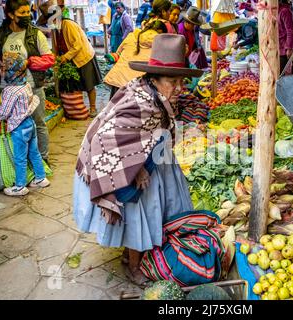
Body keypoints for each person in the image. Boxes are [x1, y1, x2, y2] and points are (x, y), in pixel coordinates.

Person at [72, 34, 203, 287]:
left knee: (155, 202)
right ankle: (134, 266)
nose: (178, 88)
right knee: (139, 206)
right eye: (172, 82)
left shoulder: (156, 94)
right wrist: (137, 167)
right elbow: (105, 139)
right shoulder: (138, 100)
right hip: (120, 161)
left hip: (150, 153)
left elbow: (153, 130)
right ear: (153, 79)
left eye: (181, 82)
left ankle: (132, 251)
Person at [0, 0, 54, 163]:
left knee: (38, 124)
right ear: (11, 15)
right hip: (9, 91)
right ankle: (19, 162)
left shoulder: (35, 34)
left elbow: (49, 59)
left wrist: (29, 62)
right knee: (14, 127)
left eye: (28, 12)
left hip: (33, 88)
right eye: (22, 13)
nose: (27, 16)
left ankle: (42, 160)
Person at [37, 0, 103, 118]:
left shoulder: (68, 25)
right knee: (77, 84)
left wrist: (65, 57)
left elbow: (77, 45)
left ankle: (93, 108)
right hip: (71, 58)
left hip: (84, 56)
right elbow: (57, 46)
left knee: (89, 84)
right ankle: (78, 108)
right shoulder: (56, 28)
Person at [0, 52, 50, 196]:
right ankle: (41, 178)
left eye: (3, 69)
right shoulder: (26, 85)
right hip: (30, 124)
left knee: (20, 158)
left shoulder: (10, 91)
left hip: (19, 128)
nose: (0, 71)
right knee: (34, 153)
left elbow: (4, 111)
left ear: (11, 73)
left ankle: (20, 186)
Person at [104, 19, 167, 99]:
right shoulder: (162, 43)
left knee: (114, 109)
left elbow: (118, 53)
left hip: (118, 80)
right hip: (140, 87)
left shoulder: (132, 35)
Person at [278, 0, 293, 75]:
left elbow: (290, 31)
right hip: (276, 47)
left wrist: (289, 48)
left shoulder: (284, 11)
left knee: (282, 74)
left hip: (283, 49)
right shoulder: (271, 11)